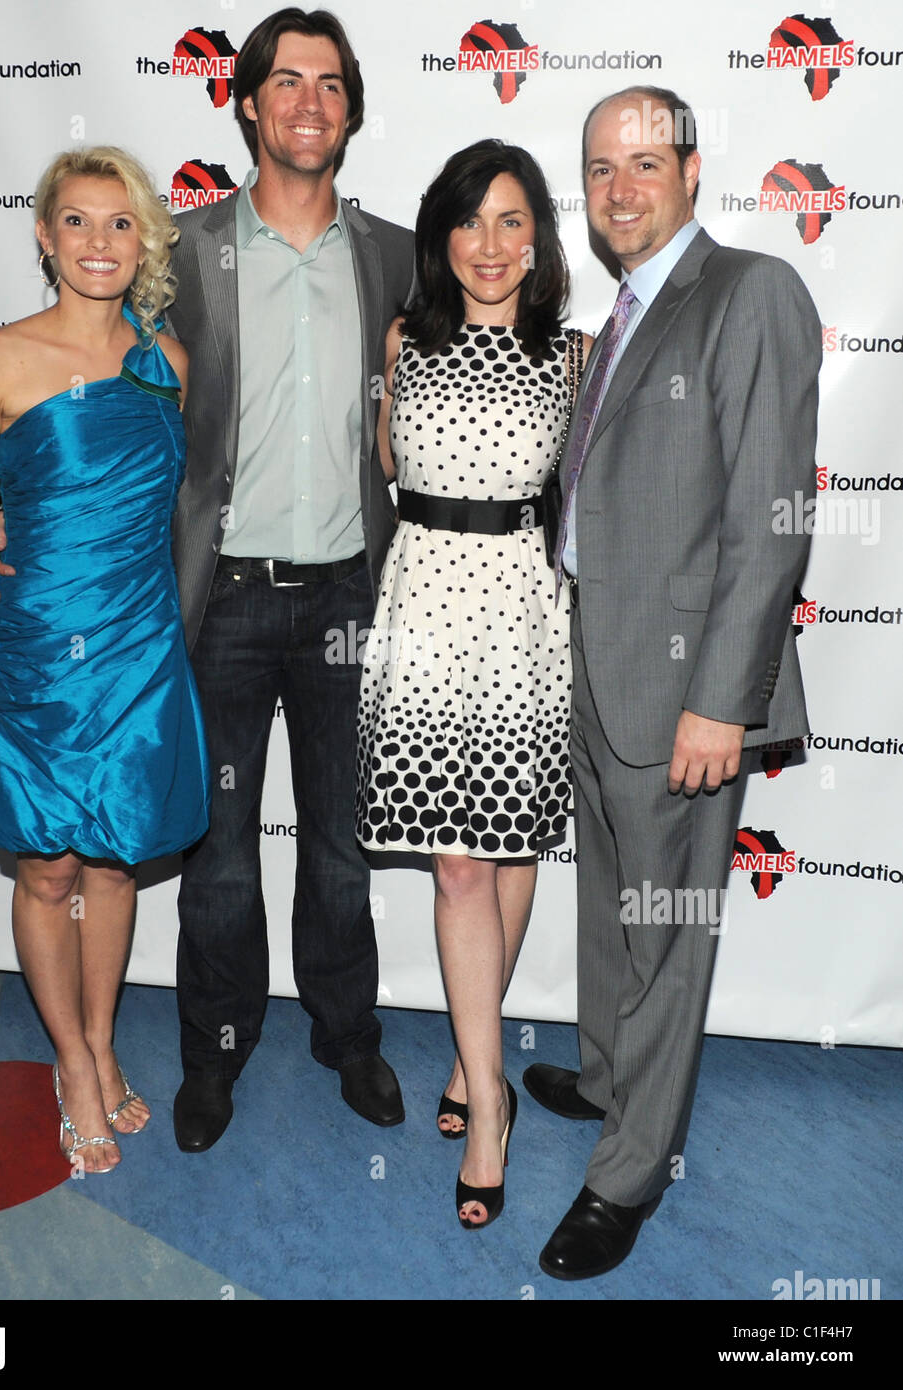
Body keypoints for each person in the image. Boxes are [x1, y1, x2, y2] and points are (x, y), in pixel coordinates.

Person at [523, 86, 821, 1277]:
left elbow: (769, 520)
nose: (620, 188)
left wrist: (721, 699)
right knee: (611, 903)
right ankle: (605, 1075)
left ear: (692, 170)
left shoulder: (750, 291)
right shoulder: (625, 313)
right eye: (599, 169)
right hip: (596, 657)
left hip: (684, 686)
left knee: (670, 926)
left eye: (644, 163)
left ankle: (629, 1170)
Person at [165, 8, 415, 1150]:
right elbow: (103, 395)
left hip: (351, 593)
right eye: (284, 81)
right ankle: (215, 1051)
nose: (307, 102)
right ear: (248, 103)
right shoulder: (180, 252)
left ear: (349, 110)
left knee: (340, 842)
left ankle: (346, 1033)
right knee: (215, 850)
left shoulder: (397, 255)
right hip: (219, 600)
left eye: (328, 84)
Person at [0, 147, 210, 1173]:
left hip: (137, 646)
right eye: (78, 222)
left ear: (144, 239)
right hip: (30, 654)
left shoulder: (169, 364)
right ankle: (68, 1059)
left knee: (113, 861)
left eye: (119, 223)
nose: (98, 242)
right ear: (47, 236)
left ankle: (101, 1043)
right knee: (48, 865)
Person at [356, 141, 590, 1228]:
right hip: (419, 607)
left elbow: (586, 504)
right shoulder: (404, 338)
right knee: (455, 864)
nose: (488, 246)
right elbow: (386, 464)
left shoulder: (573, 355)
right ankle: (487, 1087)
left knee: (501, 847)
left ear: (536, 237)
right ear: (439, 232)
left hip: (516, 611)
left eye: (511, 222)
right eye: (468, 221)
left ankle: (472, 1073)